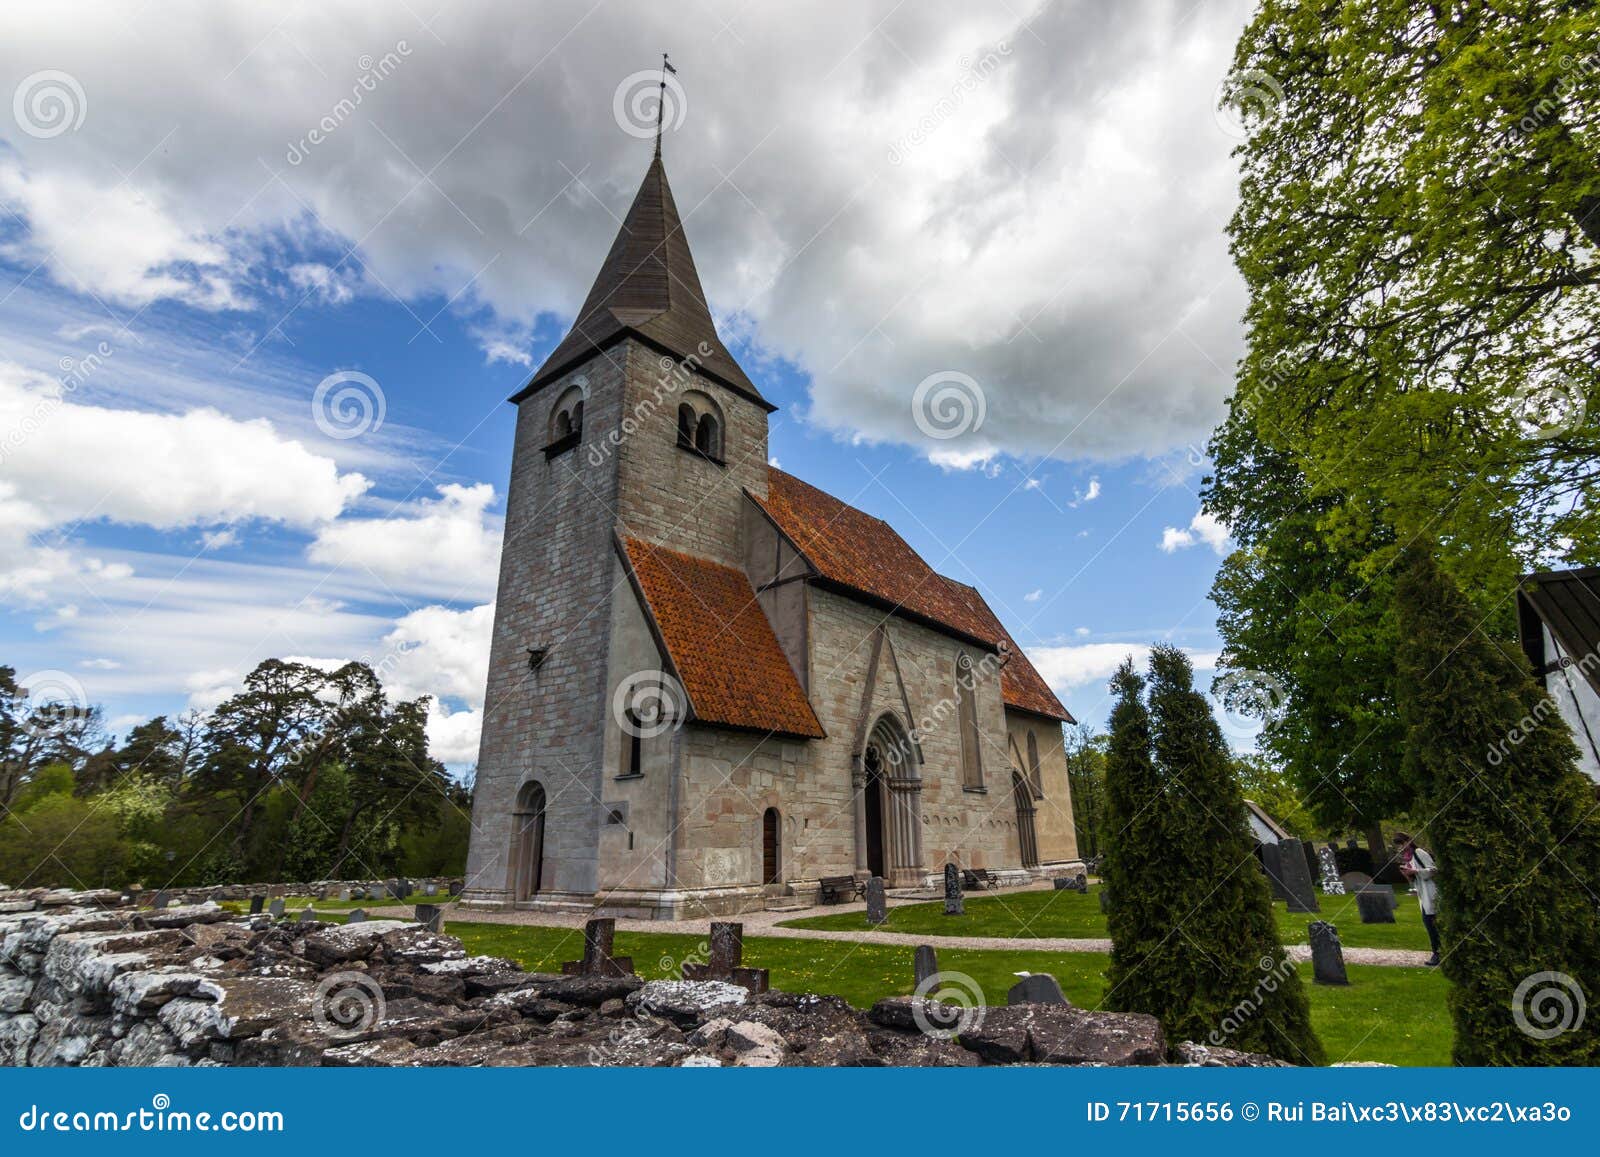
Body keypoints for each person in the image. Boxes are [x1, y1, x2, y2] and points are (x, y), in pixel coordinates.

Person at [1394, 831, 1440, 966]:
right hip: (1423, 894)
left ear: (1408, 841)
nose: (1400, 847)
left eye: (1402, 843)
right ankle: (1438, 952)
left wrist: (1416, 872)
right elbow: (1414, 880)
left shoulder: (1419, 853)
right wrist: (1408, 874)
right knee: (1430, 923)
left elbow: (1433, 870)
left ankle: (1437, 954)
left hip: (1431, 892)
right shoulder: (1409, 857)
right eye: (1398, 845)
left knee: (1431, 924)